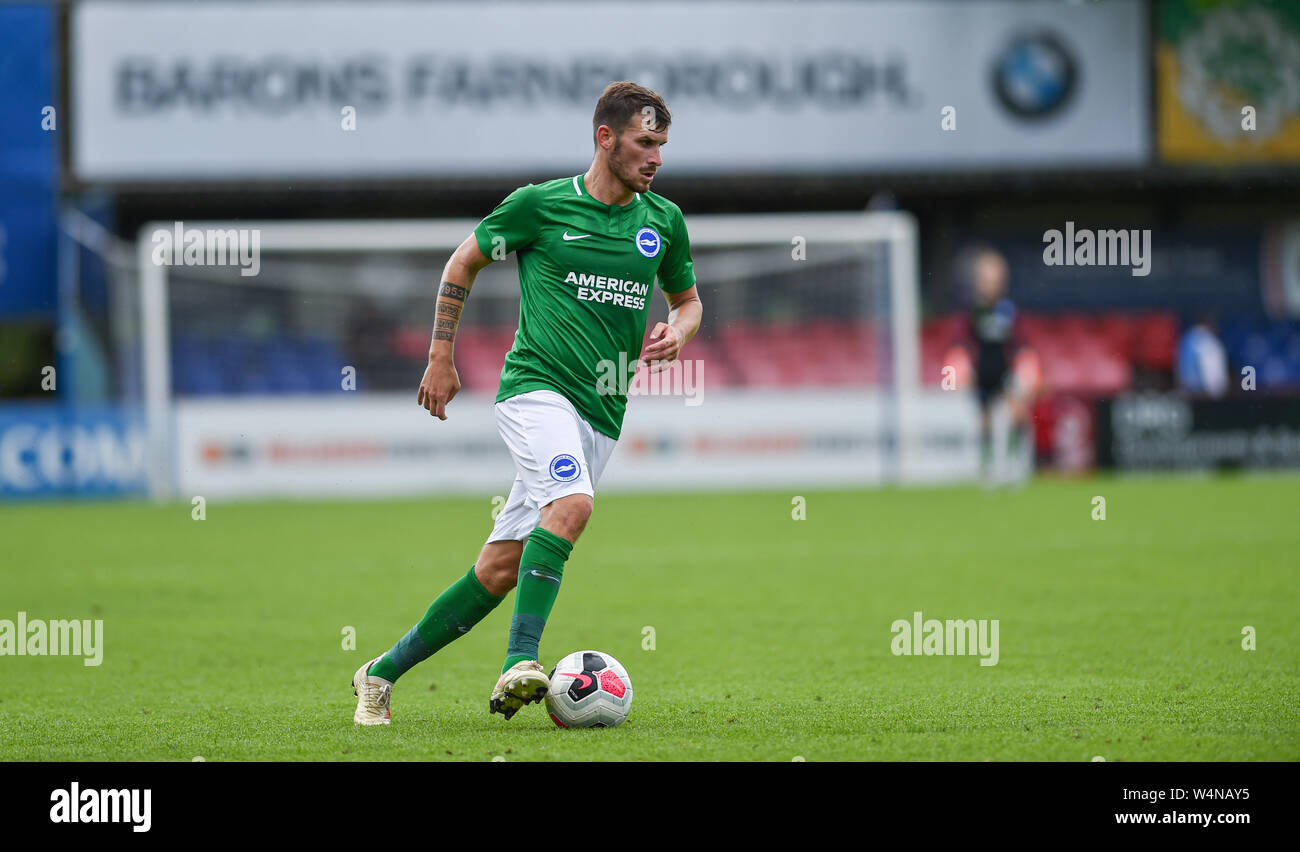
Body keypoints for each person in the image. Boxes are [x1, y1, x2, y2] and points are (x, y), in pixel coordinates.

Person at [352, 82, 703, 724]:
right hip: (535, 391)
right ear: (605, 138)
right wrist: (440, 356)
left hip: (602, 412)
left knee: (499, 570)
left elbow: (688, 301)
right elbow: (463, 262)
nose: (656, 158)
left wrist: (678, 332)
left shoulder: (663, 222)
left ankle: (378, 674)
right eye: (644, 143)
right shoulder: (539, 206)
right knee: (572, 506)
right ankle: (520, 661)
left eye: (662, 145)